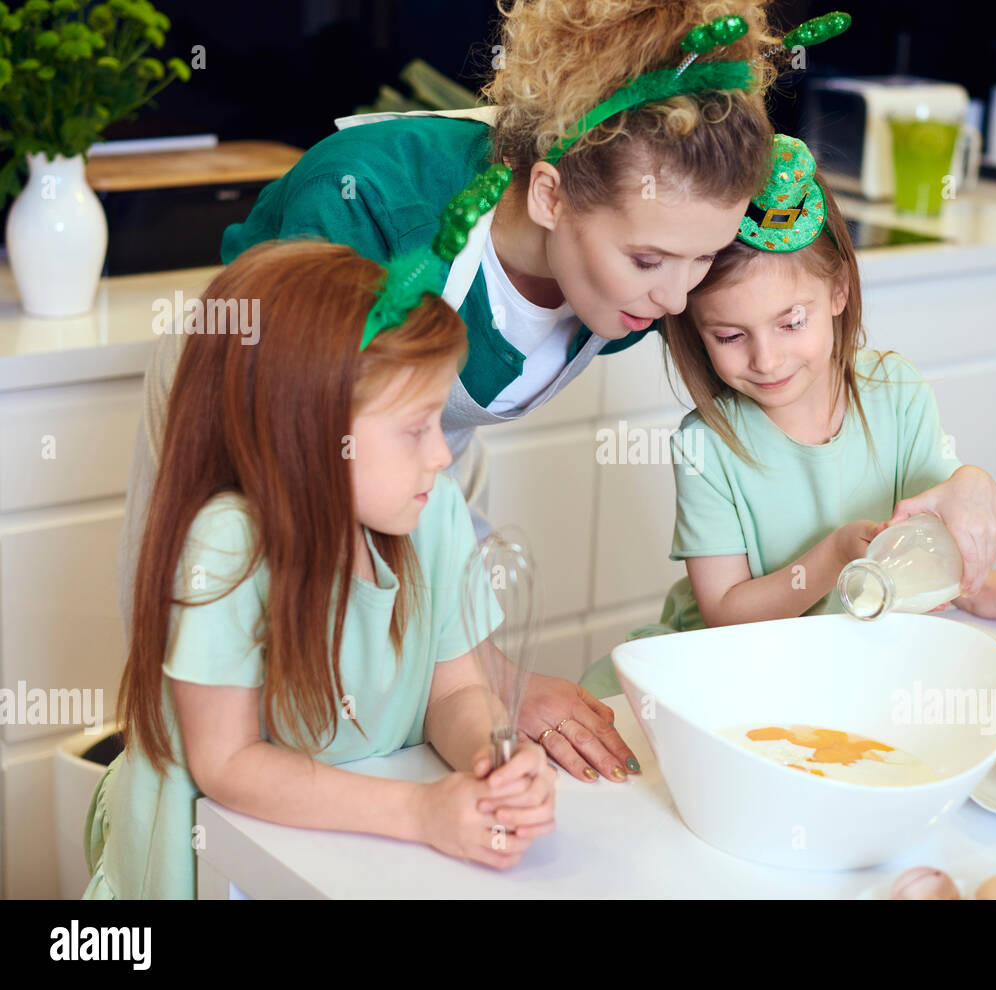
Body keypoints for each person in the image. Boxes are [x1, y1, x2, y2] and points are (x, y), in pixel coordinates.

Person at [118, 1, 814, 783]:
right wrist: (496, 681)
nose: (678, 302)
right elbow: (318, 464)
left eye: (704, 259)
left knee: (398, 731)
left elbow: (787, 373)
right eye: (651, 262)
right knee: (240, 726)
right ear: (550, 196)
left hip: (417, 440)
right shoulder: (371, 207)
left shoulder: (656, 253)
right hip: (258, 408)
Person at [85, 236, 556, 899]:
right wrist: (420, 813)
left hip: (336, 851)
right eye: (415, 427)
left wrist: (492, 759)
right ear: (311, 428)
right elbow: (228, 764)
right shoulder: (228, 545)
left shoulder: (436, 513)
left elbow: (453, 693)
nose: (442, 456)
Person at [579, 135, 996, 698]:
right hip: (729, 675)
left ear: (838, 292)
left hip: (853, 666)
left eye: (791, 322)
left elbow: (928, 546)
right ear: (695, 330)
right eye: (730, 335)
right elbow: (725, 615)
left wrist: (977, 572)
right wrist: (837, 553)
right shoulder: (708, 445)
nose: (766, 360)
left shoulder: (896, 392)